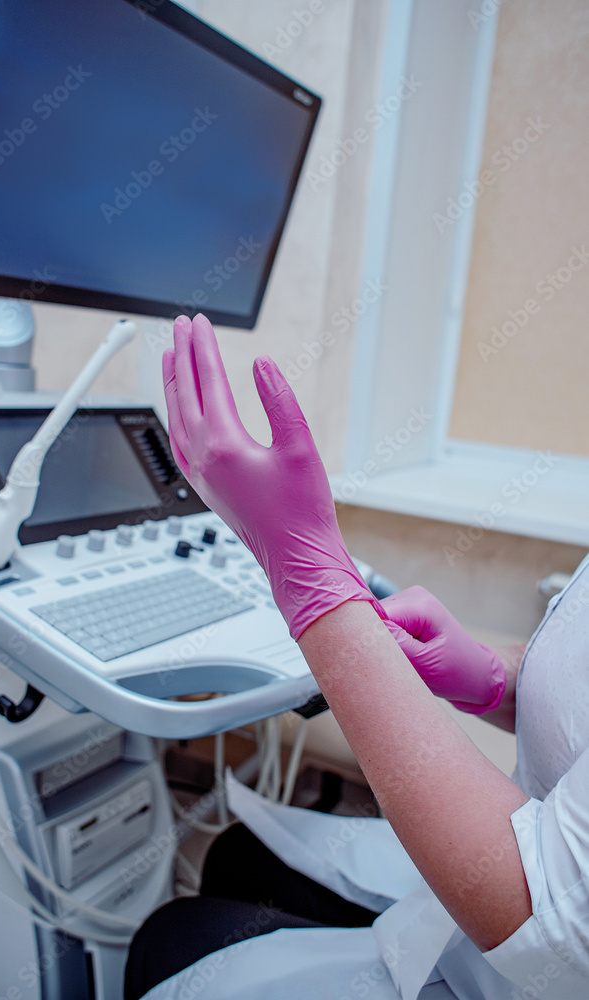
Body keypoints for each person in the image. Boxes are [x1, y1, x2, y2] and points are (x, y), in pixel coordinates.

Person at [124, 313, 589, 1000]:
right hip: (518, 861)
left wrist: (309, 580)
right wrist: (498, 681)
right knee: (234, 854)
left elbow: (545, 919)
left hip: (525, 952)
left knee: (171, 942)